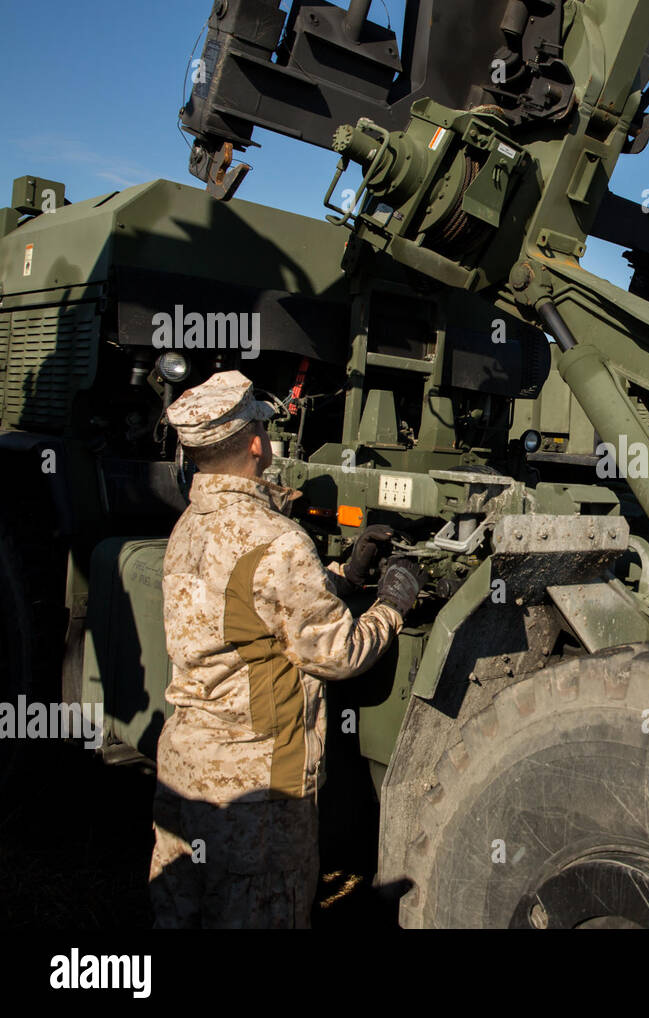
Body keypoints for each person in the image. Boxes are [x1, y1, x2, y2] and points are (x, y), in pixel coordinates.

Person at [148, 370, 421, 928]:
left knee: (184, 913)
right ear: (255, 443)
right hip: (260, 792)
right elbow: (337, 654)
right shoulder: (276, 539)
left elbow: (248, 617)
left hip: (187, 767)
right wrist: (392, 605)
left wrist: (343, 577)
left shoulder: (190, 525)